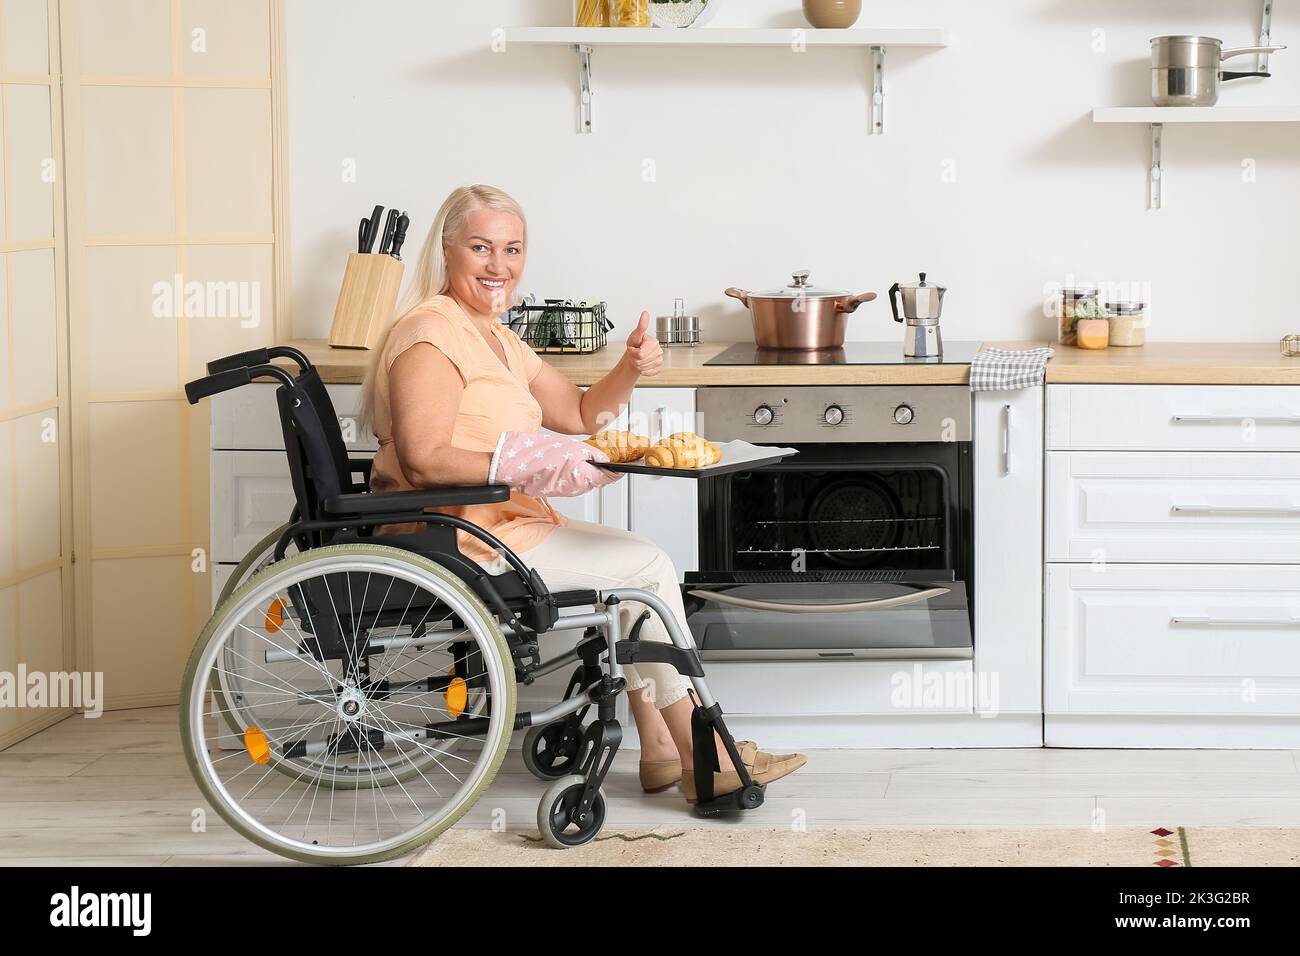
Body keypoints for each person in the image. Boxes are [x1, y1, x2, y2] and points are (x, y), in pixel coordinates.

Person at [360, 184, 805, 803]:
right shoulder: (431, 334)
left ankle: (660, 750)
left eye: (512, 249)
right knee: (645, 568)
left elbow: (577, 412)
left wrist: (628, 366)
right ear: (446, 250)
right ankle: (704, 759)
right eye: (481, 247)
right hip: (463, 537)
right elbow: (424, 456)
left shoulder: (494, 335)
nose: (499, 266)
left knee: (639, 566)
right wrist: (527, 465)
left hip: (508, 525)